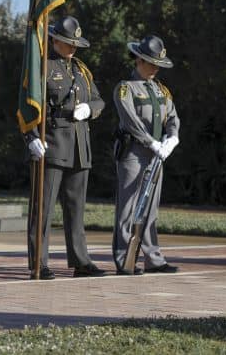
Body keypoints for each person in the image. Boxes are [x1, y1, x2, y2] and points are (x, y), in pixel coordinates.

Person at [26, 16, 106, 279]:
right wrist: (30, 137)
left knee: (76, 208)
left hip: (80, 146)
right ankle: (40, 263)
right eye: (67, 43)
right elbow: (28, 106)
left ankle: (81, 261)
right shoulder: (42, 66)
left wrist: (89, 109)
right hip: (52, 142)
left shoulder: (82, 70)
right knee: (43, 208)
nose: (72, 48)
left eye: (75, 44)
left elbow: (98, 100)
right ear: (55, 40)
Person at [112, 34, 181, 275]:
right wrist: (151, 142)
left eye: (157, 65)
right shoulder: (125, 88)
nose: (154, 69)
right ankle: (123, 259)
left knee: (151, 208)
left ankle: (153, 258)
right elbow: (130, 120)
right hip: (134, 153)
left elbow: (172, 117)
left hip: (157, 155)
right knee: (128, 208)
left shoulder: (162, 90)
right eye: (151, 63)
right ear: (139, 60)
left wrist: (172, 138)